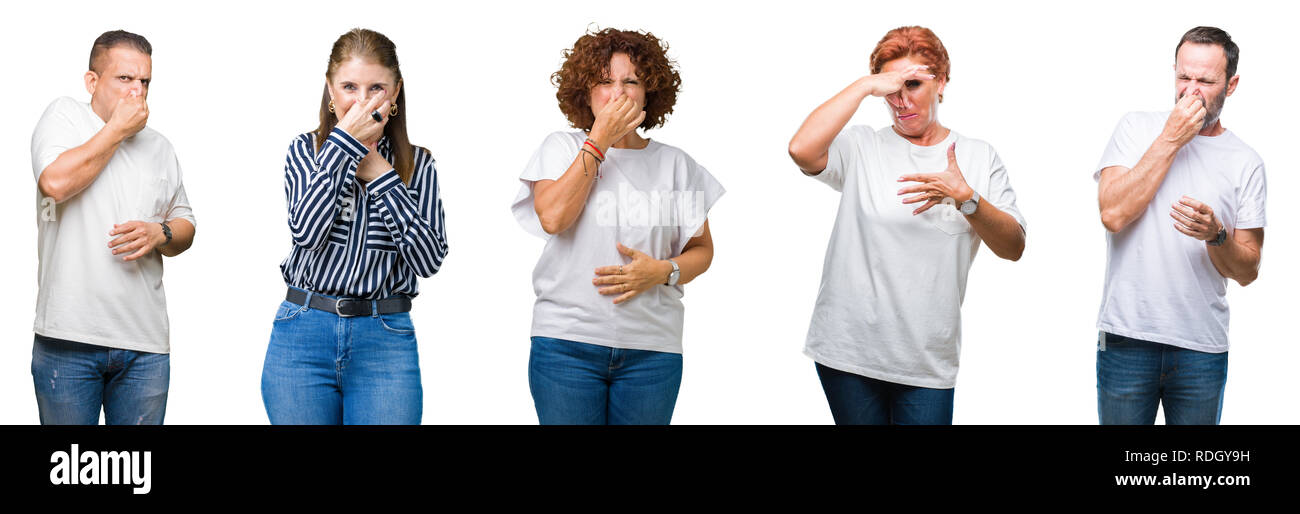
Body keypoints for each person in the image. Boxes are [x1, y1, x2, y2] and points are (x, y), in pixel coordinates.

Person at [787, 26, 1026, 425]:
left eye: (912, 84)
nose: (900, 101)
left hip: (926, 360)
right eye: (891, 89)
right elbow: (800, 149)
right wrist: (866, 86)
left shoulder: (977, 156)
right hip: (848, 351)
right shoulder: (862, 146)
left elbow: (1013, 247)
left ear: (941, 81)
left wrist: (968, 199)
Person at [511, 28, 724, 425]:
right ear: (586, 91)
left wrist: (662, 271)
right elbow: (553, 218)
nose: (617, 93)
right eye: (605, 82)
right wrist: (599, 141)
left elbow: (702, 251)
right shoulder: (560, 148)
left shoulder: (677, 165)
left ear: (649, 93)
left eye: (631, 82)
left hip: (652, 351)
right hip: (566, 345)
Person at [261, 28, 448, 425]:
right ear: (331, 90)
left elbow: (429, 260)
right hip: (303, 335)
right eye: (349, 87)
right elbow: (307, 233)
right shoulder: (305, 151)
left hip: (385, 339)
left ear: (395, 94)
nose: (362, 102)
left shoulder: (419, 164)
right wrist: (345, 145)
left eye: (376, 88)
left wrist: (382, 175)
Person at [1093, 26, 1264, 425]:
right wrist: (1170, 139)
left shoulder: (1246, 161)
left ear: (1231, 85)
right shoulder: (1135, 128)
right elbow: (1112, 214)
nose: (1191, 91)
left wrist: (1217, 236)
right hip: (1126, 339)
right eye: (1184, 77)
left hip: (1201, 348)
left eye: (1206, 81)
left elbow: (1248, 270)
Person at [30, 30, 196, 425]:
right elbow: (54, 184)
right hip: (69, 339)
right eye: (124, 78)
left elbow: (186, 223)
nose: (137, 91)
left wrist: (160, 233)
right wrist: (117, 130)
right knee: (73, 460)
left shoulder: (160, 147)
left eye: (145, 81)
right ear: (92, 81)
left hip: (145, 346)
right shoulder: (64, 117)